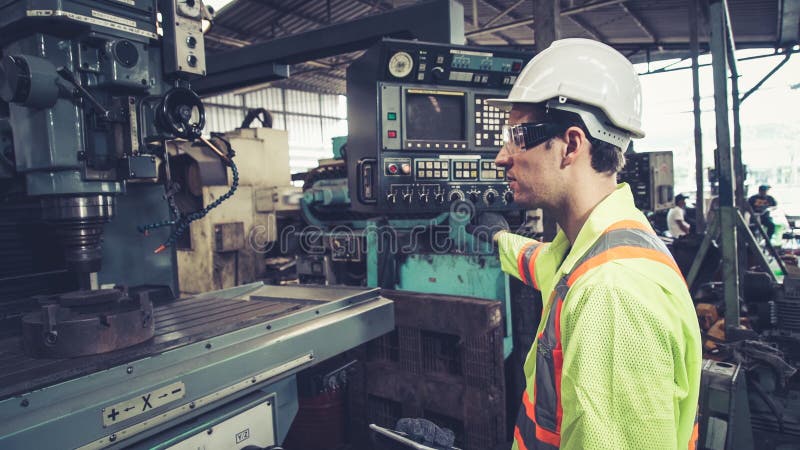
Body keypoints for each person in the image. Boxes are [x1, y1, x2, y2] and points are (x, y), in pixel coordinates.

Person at [483, 39, 702, 450]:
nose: (501, 156)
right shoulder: (595, 245)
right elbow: (541, 262)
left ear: (570, 145)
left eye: (517, 137)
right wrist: (495, 236)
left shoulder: (611, 295)